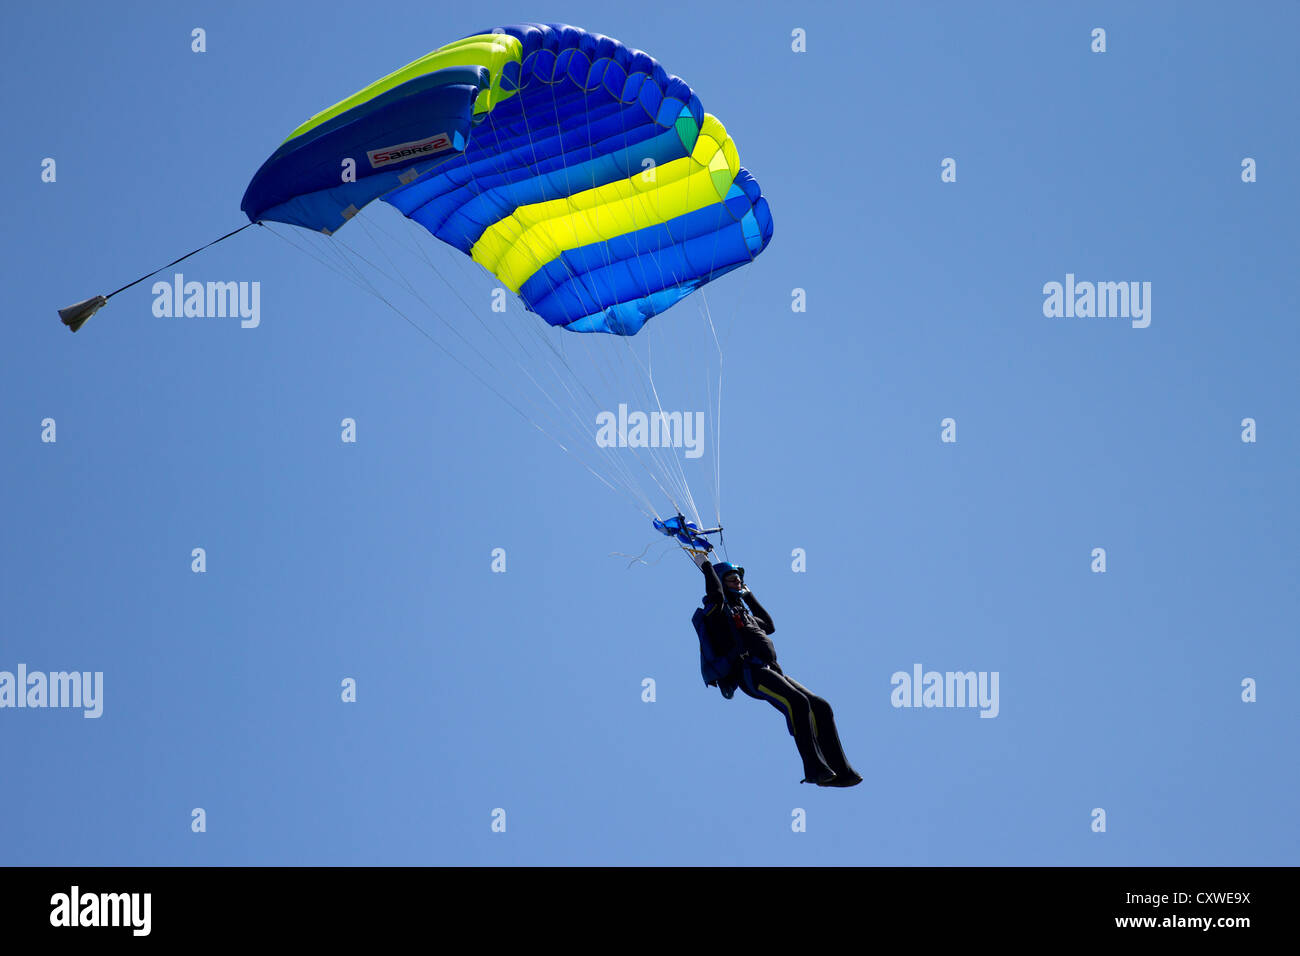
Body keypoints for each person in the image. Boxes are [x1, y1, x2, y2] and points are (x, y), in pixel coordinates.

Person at [691, 553, 862, 787]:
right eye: (731, 579)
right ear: (720, 582)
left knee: (821, 707)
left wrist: (749, 595)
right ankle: (814, 769)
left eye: (738, 578)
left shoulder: (743, 614)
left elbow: (769, 625)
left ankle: (842, 771)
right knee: (798, 703)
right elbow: (716, 595)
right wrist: (707, 567)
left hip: (771, 670)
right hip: (750, 673)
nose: (737, 582)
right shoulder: (717, 611)